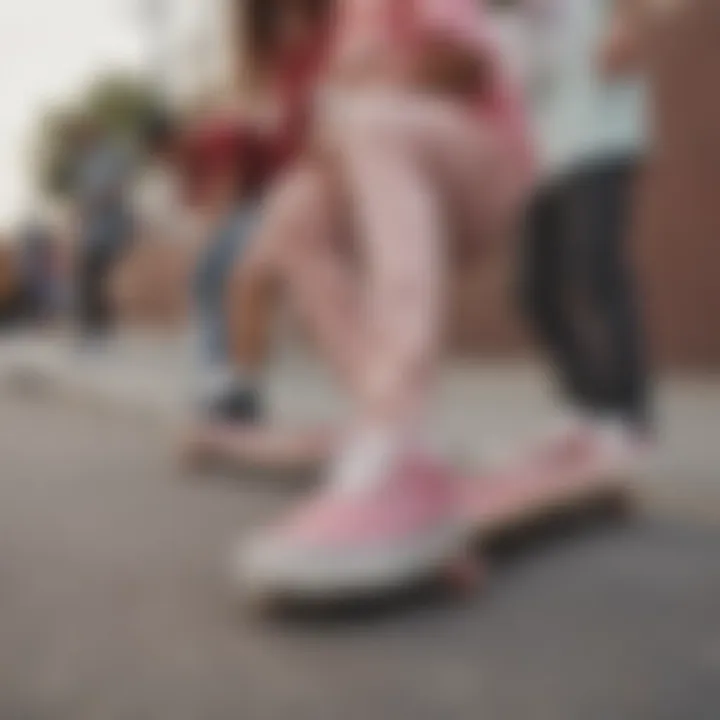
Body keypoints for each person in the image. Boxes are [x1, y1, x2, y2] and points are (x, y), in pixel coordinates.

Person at [232, 0, 534, 596]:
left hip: (485, 160)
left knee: (369, 122)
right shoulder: (344, 25)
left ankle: (395, 435)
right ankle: (395, 434)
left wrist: (352, 113)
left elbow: (466, 63)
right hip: (398, 155)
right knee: (289, 218)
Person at [491, 0, 660, 477]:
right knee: (534, 290)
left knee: (594, 272)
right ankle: (585, 410)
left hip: (599, 127)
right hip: (540, 145)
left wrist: (629, 23)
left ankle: (626, 420)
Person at [185, 0, 331, 425]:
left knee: (243, 261)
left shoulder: (334, 43)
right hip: (285, 196)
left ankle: (237, 382)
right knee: (214, 265)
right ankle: (226, 380)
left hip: (322, 187)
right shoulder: (278, 66)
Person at [72, 119, 134, 346]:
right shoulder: (87, 162)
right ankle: (95, 329)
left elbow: (116, 188)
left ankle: (98, 331)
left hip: (109, 229)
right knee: (91, 278)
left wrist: (92, 203)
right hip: (94, 231)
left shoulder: (109, 157)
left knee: (93, 277)